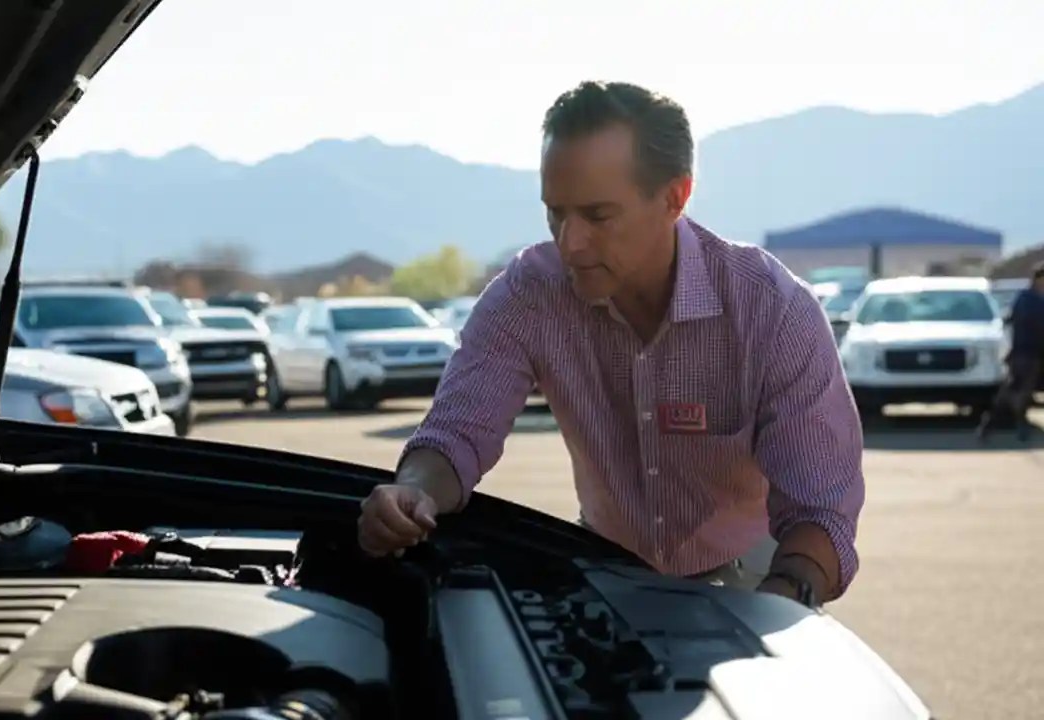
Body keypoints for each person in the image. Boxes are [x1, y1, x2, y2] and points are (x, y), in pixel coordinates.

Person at [356, 81, 866, 606]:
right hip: (606, 564)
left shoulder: (771, 309)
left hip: (757, 574)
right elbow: (456, 433)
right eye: (556, 212)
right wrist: (413, 490)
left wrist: (780, 606)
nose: (570, 242)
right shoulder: (529, 295)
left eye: (598, 216)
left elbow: (819, 511)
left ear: (675, 197)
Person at [977, 264, 1044, 442]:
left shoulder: (1028, 298)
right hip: (1027, 353)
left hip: (1027, 353)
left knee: (1015, 391)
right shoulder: (1031, 300)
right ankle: (1015, 424)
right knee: (1017, 391)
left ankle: (994, 425)